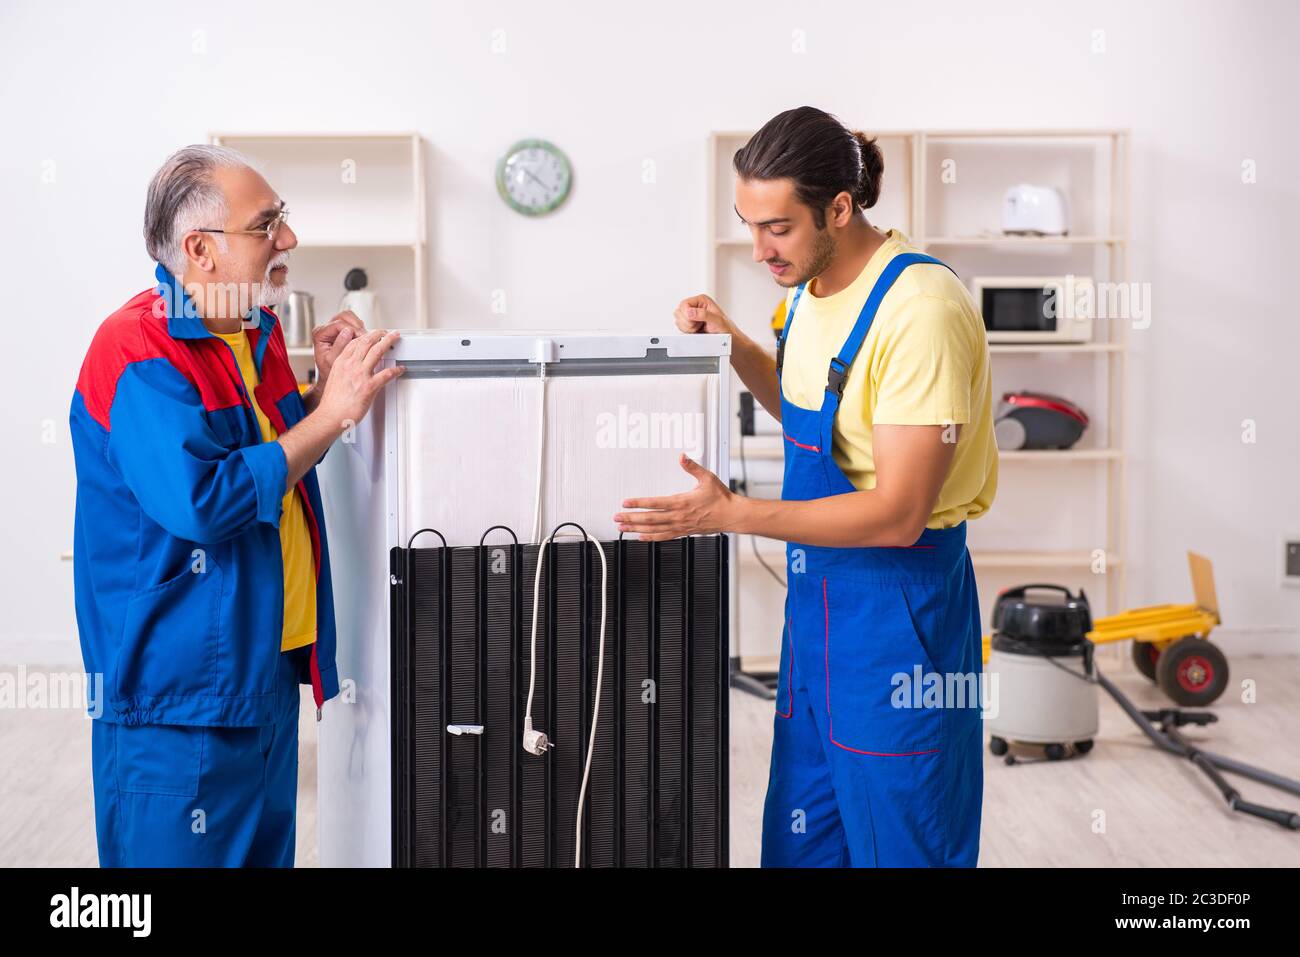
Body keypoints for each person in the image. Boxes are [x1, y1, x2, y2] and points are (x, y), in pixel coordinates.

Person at [615, 107, 997, 867]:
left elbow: (897, 512)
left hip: (898, 617)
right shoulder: (809, 293)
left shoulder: (918, 311)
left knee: (903, 837)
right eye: (748, 224)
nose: (759, 249)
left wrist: (729, 513)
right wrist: (734, 345)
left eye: (778, 228)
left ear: (840, 208)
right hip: (816, 621)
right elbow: (810, 412)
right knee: (804, 843)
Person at [69, 145, 404, 866]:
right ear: (201, 250)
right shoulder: (135, 352)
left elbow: (282, 452)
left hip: (263, 675)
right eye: (267, 223)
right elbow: (206, 500)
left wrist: (323, 391)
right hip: (176, 704)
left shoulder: (255, 331)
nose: (288, 239)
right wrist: (331, 415)